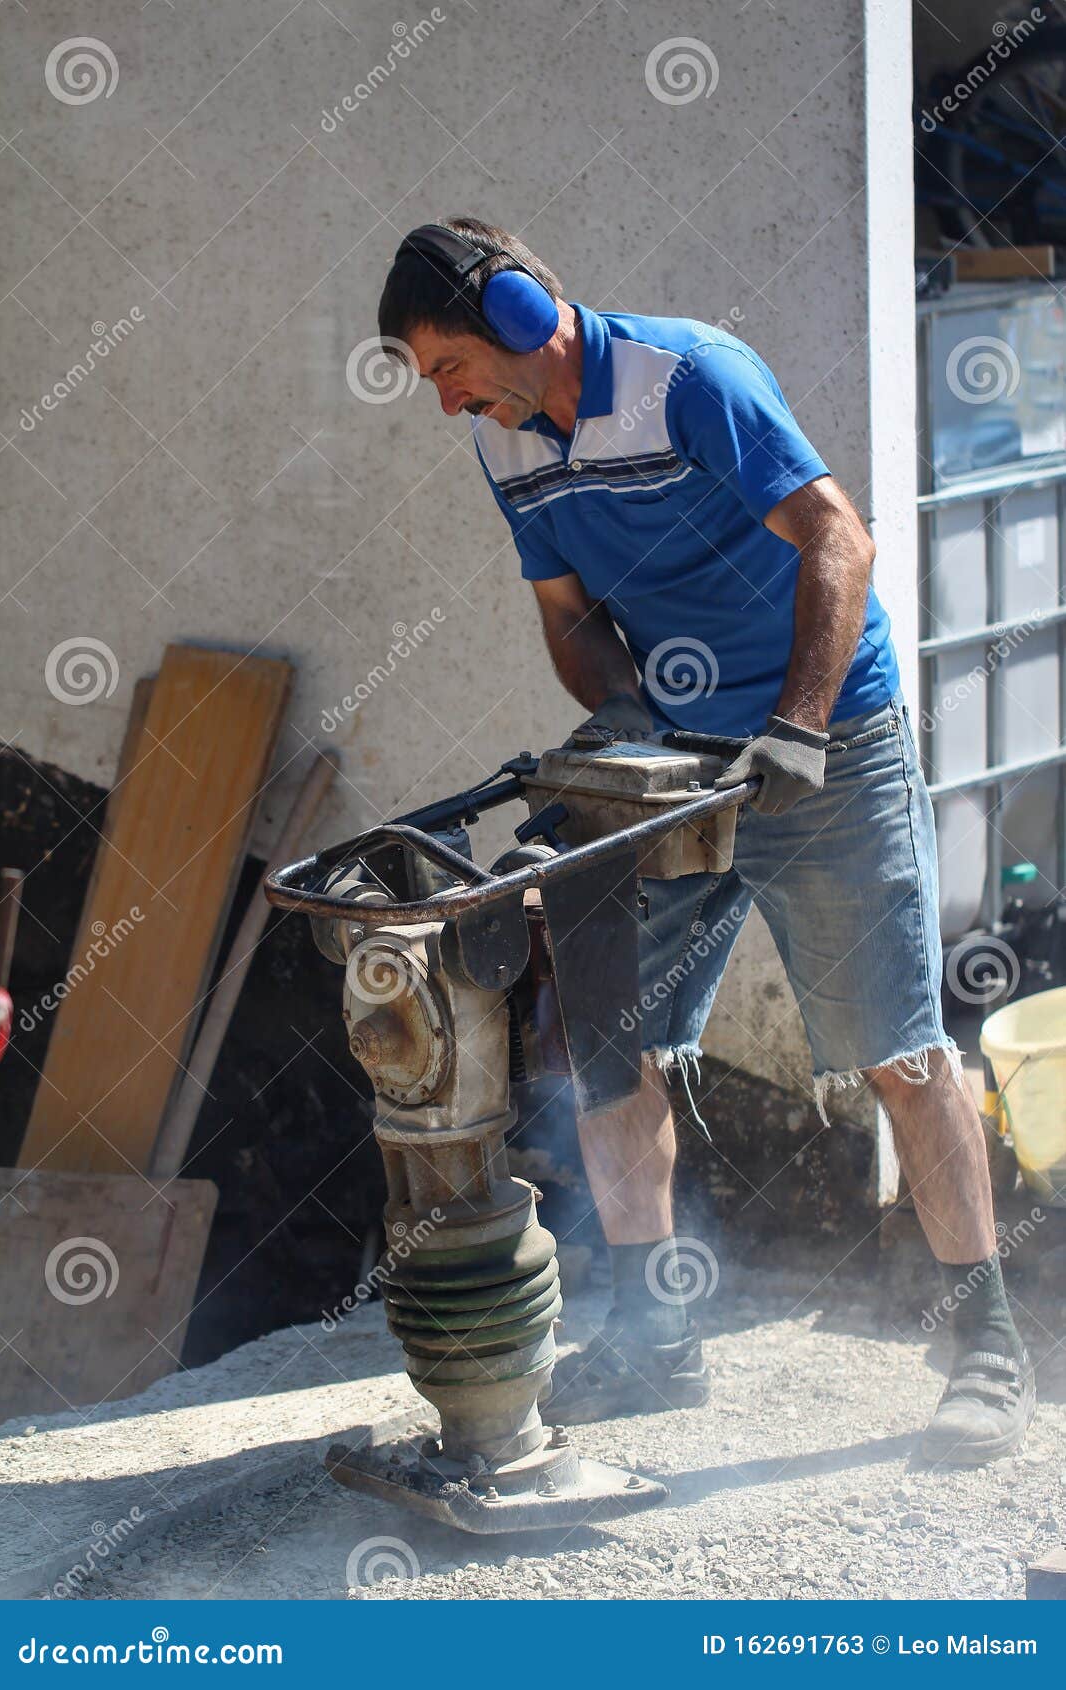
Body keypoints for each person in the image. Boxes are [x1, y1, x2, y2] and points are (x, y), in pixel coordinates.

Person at [376, 215, 1035, 1465]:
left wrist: (792, 727)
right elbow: (567, 618)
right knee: (614, 1053)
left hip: (820, 739)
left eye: (443, 362)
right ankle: (655, 1340)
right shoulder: (501, 441)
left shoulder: (689, 378)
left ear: (516, 313)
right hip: (668, 769)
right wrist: (624, 718)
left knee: (896, 1046)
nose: (441, 396)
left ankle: (986, 1345)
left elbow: (838, 539)